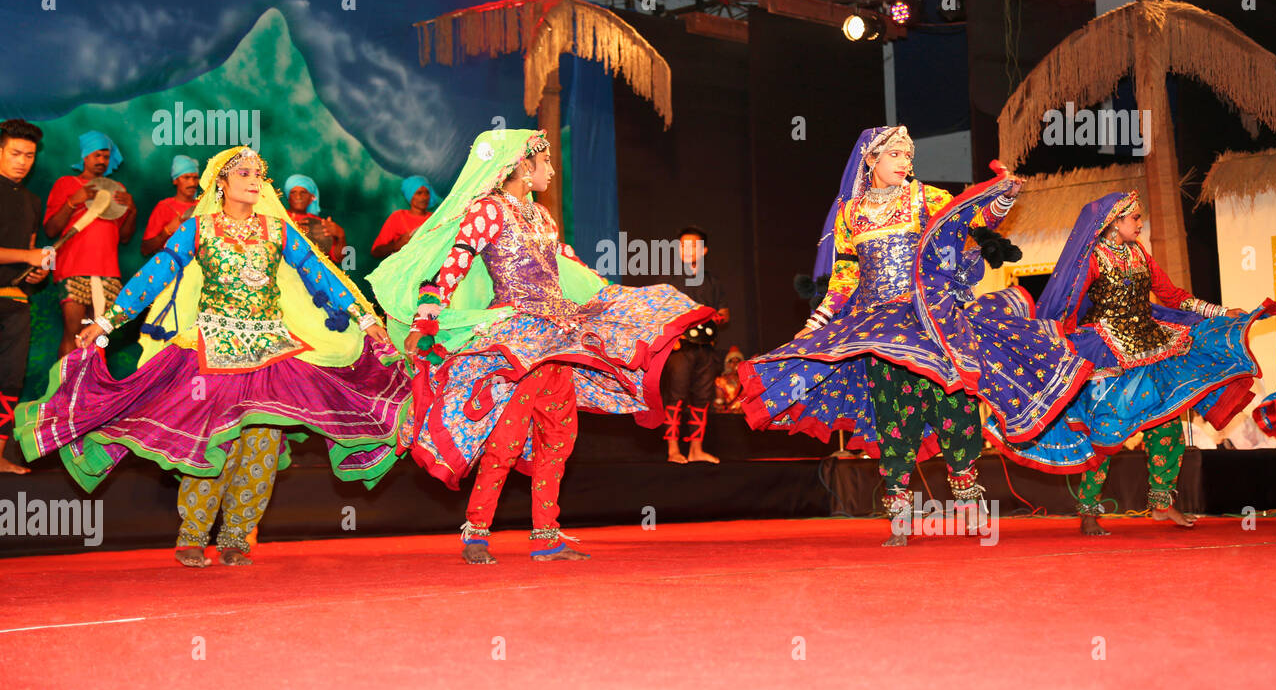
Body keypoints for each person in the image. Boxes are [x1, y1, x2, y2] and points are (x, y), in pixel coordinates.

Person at [16, 146, 408, 567]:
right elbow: (155, 275)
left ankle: (236, 536)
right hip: (213, 350)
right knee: (214, 440)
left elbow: (321, 275)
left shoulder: (278, 230)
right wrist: (108, 321)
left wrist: (364, 319)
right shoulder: (198, 229)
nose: (255, 180)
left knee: (261, 444)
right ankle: (193, 534)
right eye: (244, 173)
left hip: (271, 351)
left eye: (259, 173)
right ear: (221, 182)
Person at [368, 129, 711, 565]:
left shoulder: (542, 216)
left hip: (558, 338)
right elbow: (452, 267)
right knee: (507, 439)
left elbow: (569, 267)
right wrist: (425, 321)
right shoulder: (488, 210)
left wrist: (609, 298)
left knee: (559, 434)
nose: (551, 169)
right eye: (545, 161)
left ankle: (546, 535)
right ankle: (477, 531)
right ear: (522, 166)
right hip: (518, 342)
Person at [741, 126, 1092, 545]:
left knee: (953, 404)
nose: (905, 162)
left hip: (929, 318)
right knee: (892, 414)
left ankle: (967, 497)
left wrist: (1003, 196)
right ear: (871, 160)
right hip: (876, 327)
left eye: (908, 155)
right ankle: (900, 512)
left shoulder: (925, 197)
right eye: (895, 154)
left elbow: (972, 221)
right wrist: (817, 321)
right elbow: (846, 274)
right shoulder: (850, 213)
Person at [986, 191, 1276, 535]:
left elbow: (1173, 295)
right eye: (1135, 218)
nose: (1140, 223)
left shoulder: (1139, 253)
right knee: (1107, 432)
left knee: (1166, 424)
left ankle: (1161, 504)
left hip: (1152, 347)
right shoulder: (1093, 259)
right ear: (1114, 222)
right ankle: (1088, 509)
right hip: (1109, 354)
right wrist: (1060, 350)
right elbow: (1067, 305)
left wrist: (1220, 312)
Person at [44, 131, 137, 356]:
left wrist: (132, 210)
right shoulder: (67, 183)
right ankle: (66, 380)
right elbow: (50, 230)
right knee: (73, 333)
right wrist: (72, 201)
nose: (102, 160)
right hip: (73, 267)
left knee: (99, 336)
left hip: (108, 270)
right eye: (97, 155)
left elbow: (125, 238)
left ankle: (93, 380)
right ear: (85, 156)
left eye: (106, 156)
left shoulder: (117, 190)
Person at [0, 120, 50, 475]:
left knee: (8, 382)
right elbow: (26, 252)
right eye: (15, 153)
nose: (22, 162)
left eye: (29, 155)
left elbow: (29, 255)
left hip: (16, 302)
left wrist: (37, 271)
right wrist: (27, 255)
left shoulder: (32, 201)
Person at [660, 226, 729, 463]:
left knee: (702, 399)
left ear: (704, 250)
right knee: (676, 397)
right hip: (680, 349)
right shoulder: (669, 281)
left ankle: (696, 450)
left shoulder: (712, 281)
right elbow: (659, 315)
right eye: (682, 245)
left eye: (692, 245)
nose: (686, 249)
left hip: (706, 349)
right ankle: (673, 450)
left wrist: (715, 317)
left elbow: (724, 312)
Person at [141, 154, 200, 257]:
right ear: (175, 180)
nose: (192, 183)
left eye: (195, 178)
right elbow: (145, 249)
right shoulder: (164, 207)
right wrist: (167, 231)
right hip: (172, 265)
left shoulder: (204, 205)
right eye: (186, 177)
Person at [284, 173, 345, 264]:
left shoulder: (319, 223)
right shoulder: (279, 215)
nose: (298, 196)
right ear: (288, 197)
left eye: (303, 192)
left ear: (312, 197)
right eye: (293, 192)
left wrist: (341, 236)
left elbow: (338, 258)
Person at [371, 175, 436, 259]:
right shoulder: (397, 217)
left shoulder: (435, 218)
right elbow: (376, 251)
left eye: (427, 192)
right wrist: (396, 245)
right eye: (419, 193)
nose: (424, 197)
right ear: (410, 195)